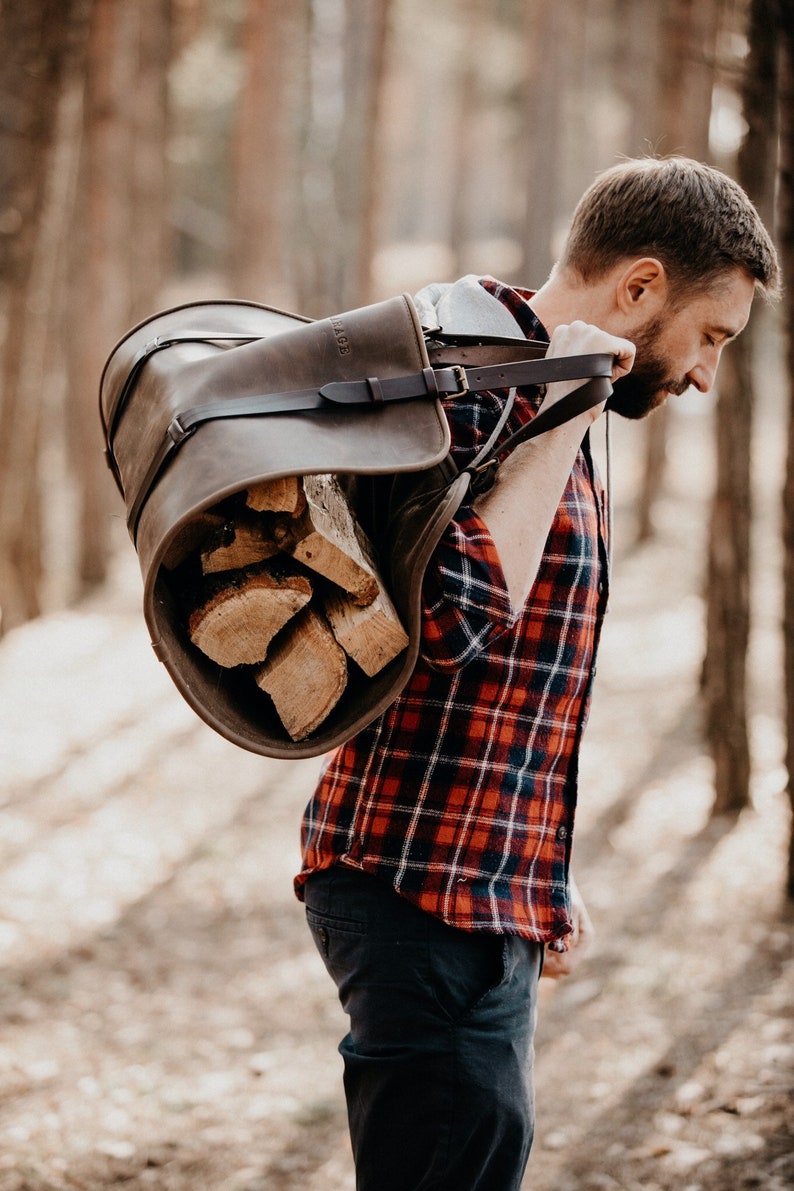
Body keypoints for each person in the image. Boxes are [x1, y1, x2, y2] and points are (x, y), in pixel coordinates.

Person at [294, 156, 780, 1191]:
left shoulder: (558, 388)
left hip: (474, 888)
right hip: (418, 893)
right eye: (711, 335)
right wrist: (561, 405)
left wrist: (539, 874)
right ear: (639, 287)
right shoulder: (470, 382)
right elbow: (454, 624)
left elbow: (513, 686)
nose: (704, 374)